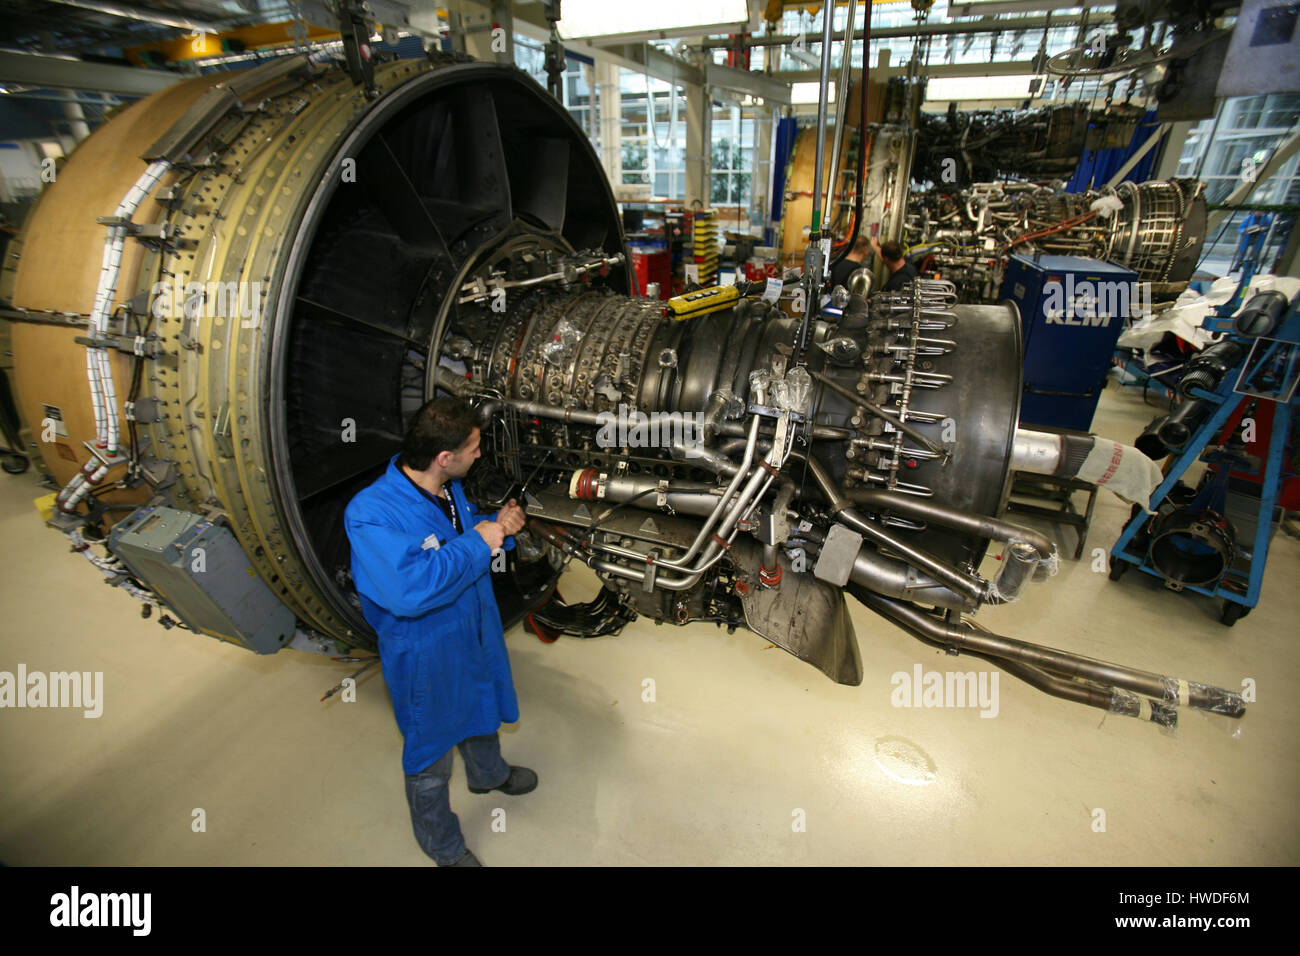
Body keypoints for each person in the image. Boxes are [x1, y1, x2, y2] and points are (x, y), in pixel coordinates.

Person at [344, 396, 531, 867]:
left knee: (481, 707)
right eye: (474, 448)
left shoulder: (445, 487)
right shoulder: (370, 513)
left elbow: (458, 543)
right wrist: (482, 539)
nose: (480, 455)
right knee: (430, 756)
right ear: (444, 457)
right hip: (425, 649)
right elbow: (412, 589)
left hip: (471, 627)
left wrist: (499, 528)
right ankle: (444, 847)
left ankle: (488, 774)